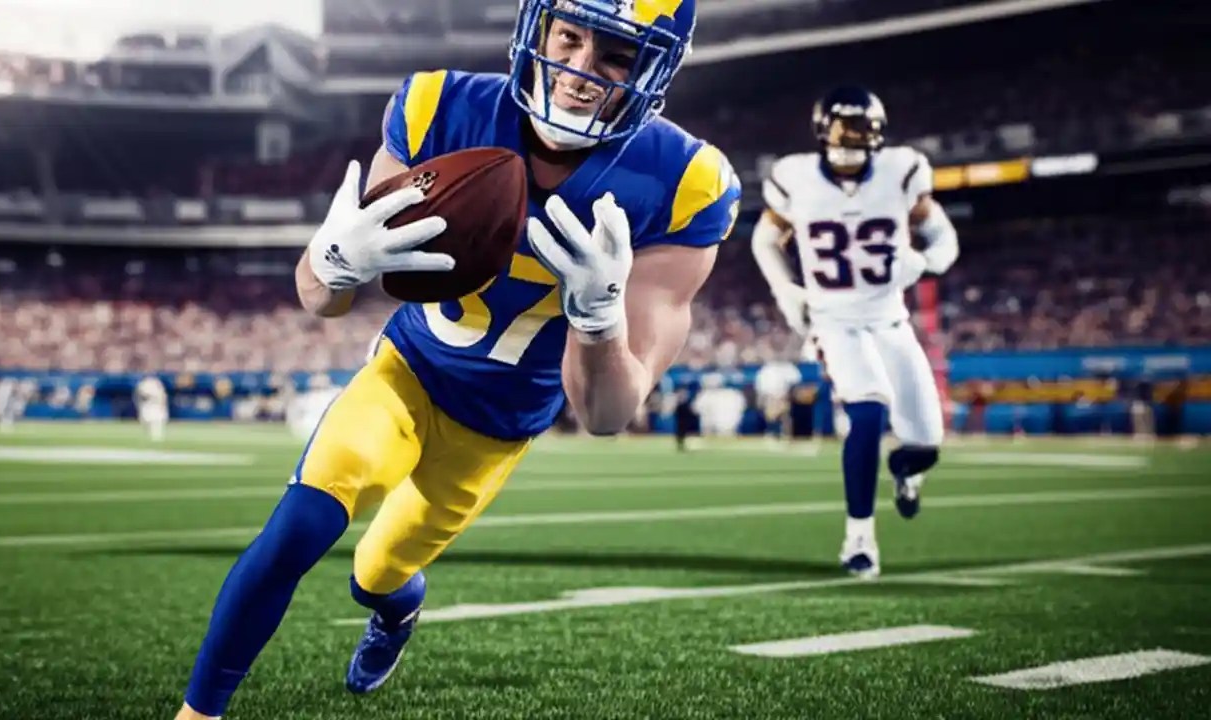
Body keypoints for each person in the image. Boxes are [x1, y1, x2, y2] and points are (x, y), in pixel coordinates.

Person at [176, 1, 740, 717]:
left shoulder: (684, 183)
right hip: (406, 374)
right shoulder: (440, 107)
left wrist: (599, 318)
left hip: (494, 429)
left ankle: (396, 609)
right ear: (539, 27)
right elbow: (319, 298)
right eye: (569, 37)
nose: (579, 70)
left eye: (615, 56)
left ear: (655, 68)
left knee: (377, 572)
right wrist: (333, 262)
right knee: (299, 526)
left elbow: (605, 413)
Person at [750, 87, 959, 578]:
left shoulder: (900, 171)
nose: (852, 139)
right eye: (844, 127)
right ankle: (859, 540)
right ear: (823, 129)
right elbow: (765, 239)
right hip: (833, 321)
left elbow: (944, 239)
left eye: (862, 128)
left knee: (925, 444)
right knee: (867, 411)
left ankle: (905, 473)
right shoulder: (795, 176)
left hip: (890, 320)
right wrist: (786, 289)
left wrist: (924, 263)